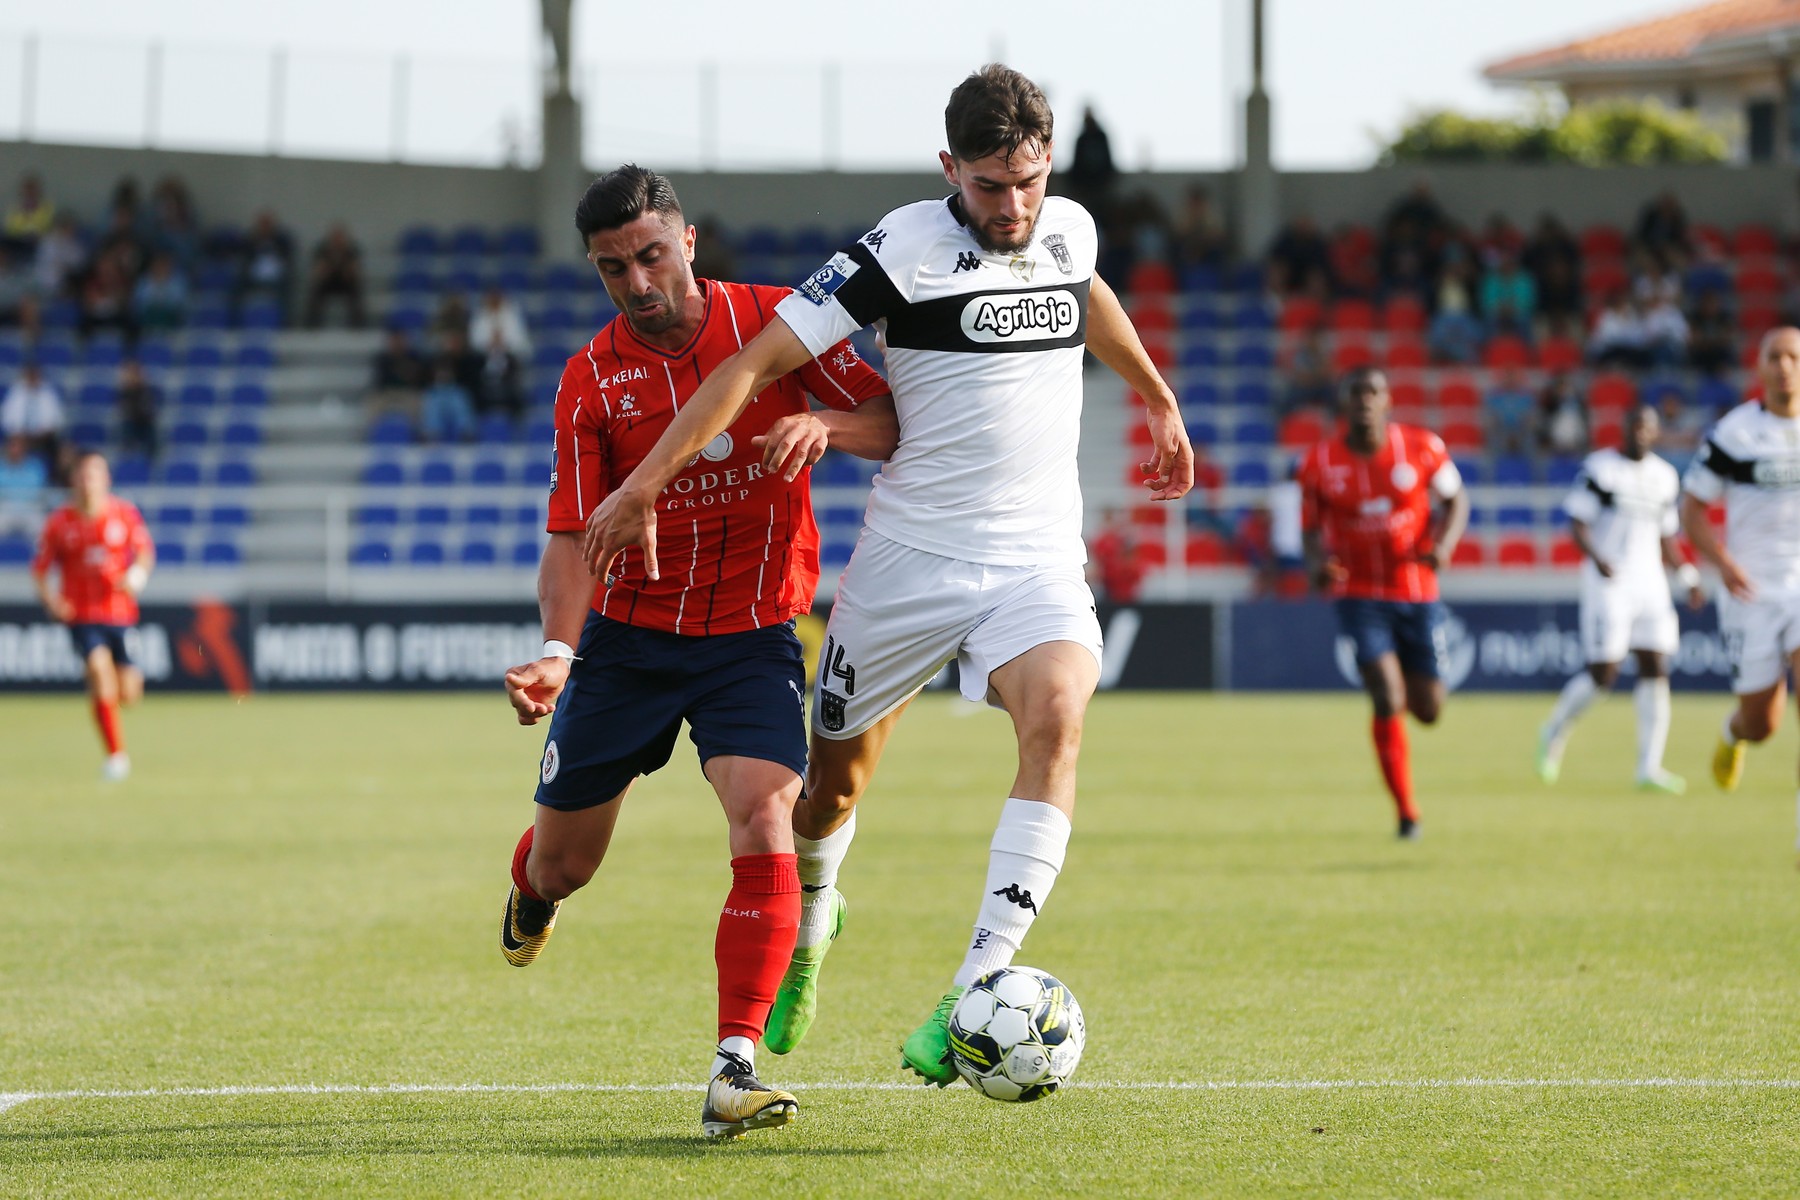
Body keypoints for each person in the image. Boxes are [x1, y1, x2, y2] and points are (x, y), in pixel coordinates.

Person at [578, 64, 1193, 1087]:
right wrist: (645, 482)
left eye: (1030, 183)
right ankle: (817, 909)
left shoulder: (1069, 228)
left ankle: (975, 987)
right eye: (992, 187)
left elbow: (1089, 297)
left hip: (1036, 557)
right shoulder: (898, 250)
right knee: (826, 794)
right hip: (910, 564)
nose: (1014, 207)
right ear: (950, 167)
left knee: (1058, 723)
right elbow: (749, 368)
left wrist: (1159, 398)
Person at [494, 165, 894, 1139]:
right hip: (629, 645)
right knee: (566, 867)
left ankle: (732, 1066)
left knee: (767, 812)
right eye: (611, 268)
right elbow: (570, 534)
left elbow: (897, 425)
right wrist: (557, 646)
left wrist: (826, 424)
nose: (636, 283)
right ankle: (530, 889)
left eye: (650, 255)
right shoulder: (591, 377)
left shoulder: (783, 324)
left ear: (689, 241)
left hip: (751, 636)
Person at [1295, 366, 1470, 838]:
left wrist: (1445, 543)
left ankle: (1404, 742)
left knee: (1429, 709)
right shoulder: (1318, 463)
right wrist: (1317, 565)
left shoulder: (1424, 447)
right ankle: (1407, 813)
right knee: (1387, 695)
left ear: (1388, 401)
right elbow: (1310, 529)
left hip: (1416, 591)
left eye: (1373, 393)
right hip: (1359, 592)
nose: (1364, 401)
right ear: (1343, 404)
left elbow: (1456, 501)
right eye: (1356, 394)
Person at [1537, 406, 1703, 792]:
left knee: (1655, 667)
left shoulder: (1664, 476)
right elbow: (1578, 524)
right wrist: (1598, 558)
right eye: (1635, 426)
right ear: (1624, 428)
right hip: (1609, 582)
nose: (1641, 433)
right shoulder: (1600, 469)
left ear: (1656, 433)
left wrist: (1688, 576)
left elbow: (1667, 537)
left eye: (1648, 428)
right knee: (1604, 675)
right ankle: (1555, 729)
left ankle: (1649, 767)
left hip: (1651, 582)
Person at [1681, 328, 1800, 847]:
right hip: (1751, 591)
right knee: (1762, 722)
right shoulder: (1734, 434)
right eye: (1774, 357)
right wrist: (1723, 564)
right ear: (1759, 367)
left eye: (1794, 357)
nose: (1785, 367)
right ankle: (1734, 735)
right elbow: (1692, 511)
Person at [30, 450, 154, 780]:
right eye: (83, 476)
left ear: (106, 480)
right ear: (73, 480)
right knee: (100, 672)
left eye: (94, 475)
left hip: (121, 613)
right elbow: (40, 570)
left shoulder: (124, 514)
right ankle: (116, 757)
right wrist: (53, 602)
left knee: (129, 694)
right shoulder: (59, 522)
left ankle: (108, 700)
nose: (88, 483)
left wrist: (135, 578)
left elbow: (145, 552)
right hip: (83, 615)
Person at [1, 359, 66, 472]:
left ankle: (52, 477)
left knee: (59, 449)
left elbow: (57, 420)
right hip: (19, 435)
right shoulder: (16, 392)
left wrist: (43, 431)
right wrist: (19, 432)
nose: (32, 379)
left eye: (35, 376)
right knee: (14, 444)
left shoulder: (48, 394)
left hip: (43, 438)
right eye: (30, 376)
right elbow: (6, 419)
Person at [304, 223, 366, 328]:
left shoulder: (351, 251)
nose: (337, 241)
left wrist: (346, 268)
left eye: (340, 238)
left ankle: (358, 325)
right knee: (316, 291)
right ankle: (312, 324)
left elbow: (355, 272)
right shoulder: (322, 250)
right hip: (328, 282)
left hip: (345, 282)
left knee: (355, 290)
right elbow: (317, 272)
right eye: (335, 238)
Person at [116, 358, 161, 461]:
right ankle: (128, 457)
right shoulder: (124, 392)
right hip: (131, 423)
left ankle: (151, 459)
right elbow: (122, 409)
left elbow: (149, 409)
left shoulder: (146, 390)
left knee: (150, 434)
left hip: (145, 422)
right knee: (127, 427)